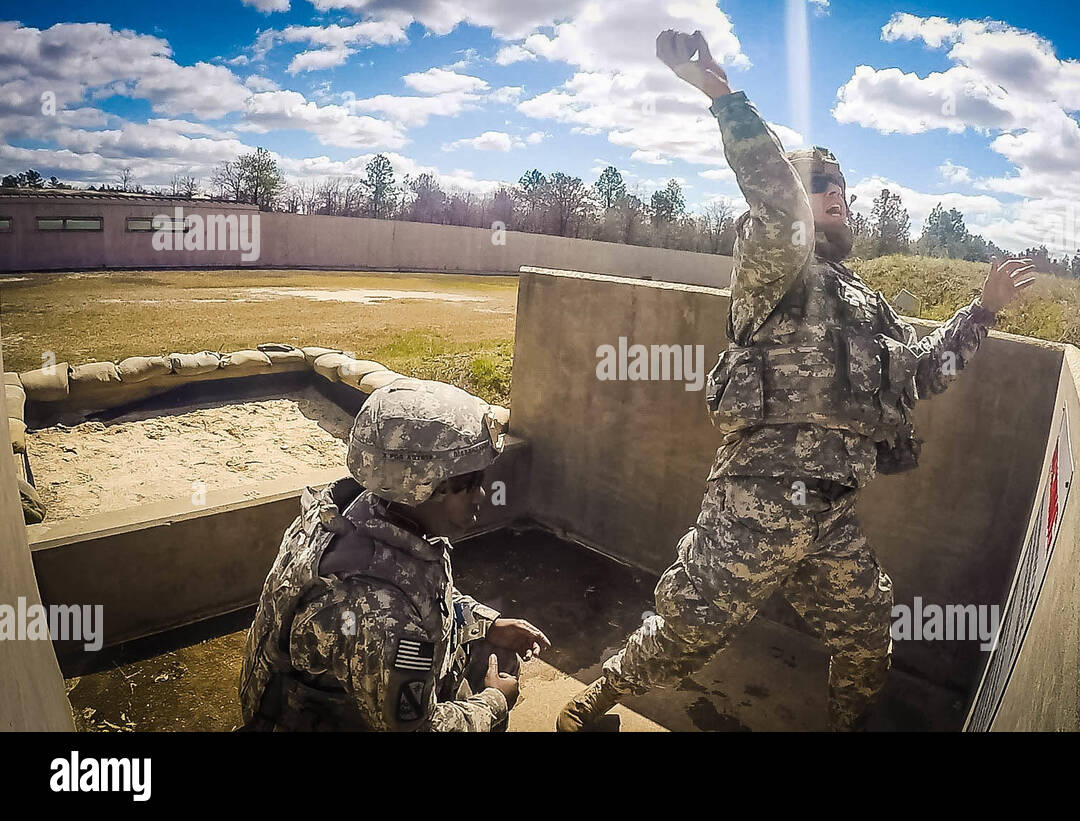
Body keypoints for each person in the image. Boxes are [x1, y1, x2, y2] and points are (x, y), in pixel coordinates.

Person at [556, 29, 1036, 732]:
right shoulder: (774, 267)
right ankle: (602, 692)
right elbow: (777, 203)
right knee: (692, 627)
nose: (832, 194)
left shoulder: (869, 305)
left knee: (869, 637)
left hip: (832, 515)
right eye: (819, 184)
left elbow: (923, 376)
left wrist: (984, 309)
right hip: (756, 501)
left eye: (839, 186)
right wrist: (725, 98)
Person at [240, 378, 550, 731]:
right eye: (468, 484)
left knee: (493, 653)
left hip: (335, 690)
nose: (482, 495)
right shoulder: (383, 615)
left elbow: (424, 591)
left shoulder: (371, 511)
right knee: (494, 687)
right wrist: (494, 701)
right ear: (424, 487)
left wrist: (485, 624)